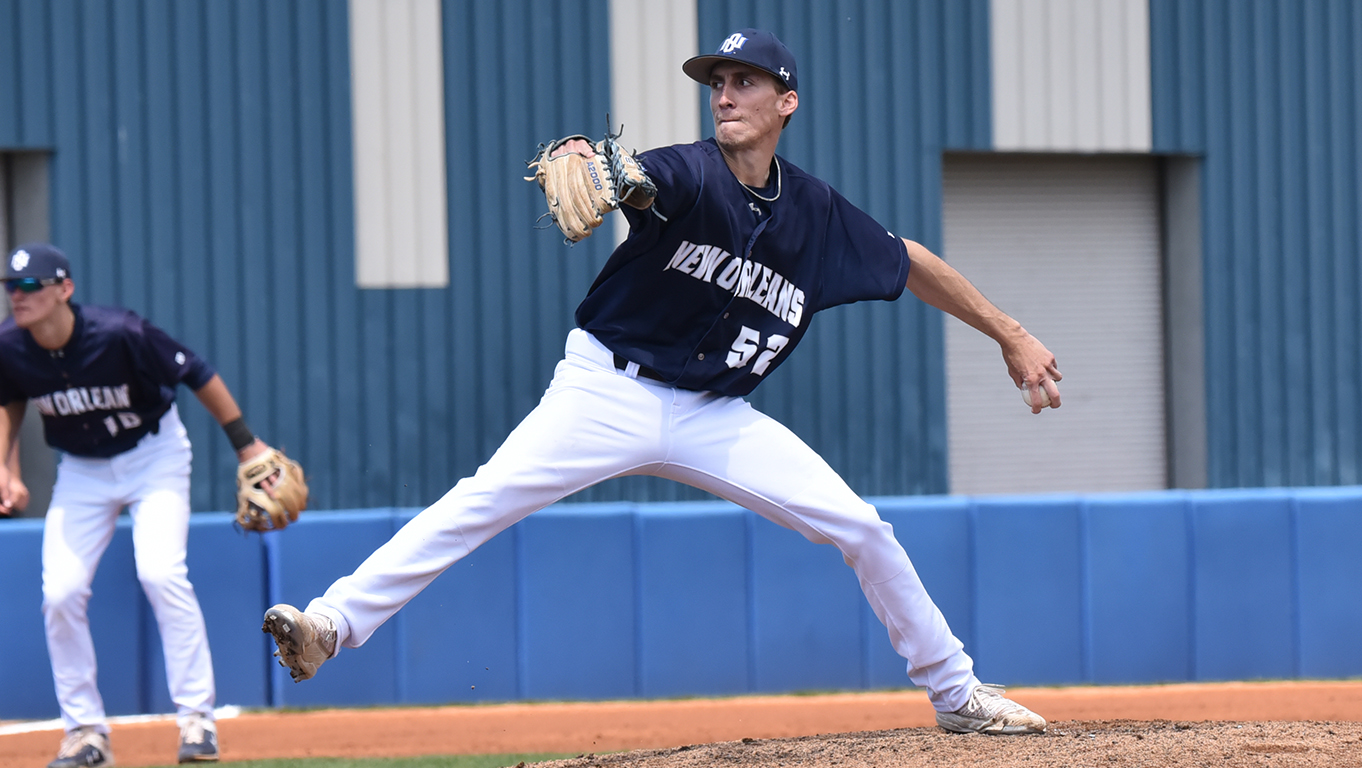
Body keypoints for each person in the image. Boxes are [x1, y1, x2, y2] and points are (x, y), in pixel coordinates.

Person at [262, 28, 1063, 735]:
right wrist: (594, 164)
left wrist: (1012, 334)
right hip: (606, 389)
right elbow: (636, 178)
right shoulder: (692, 173)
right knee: (482, 499)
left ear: (788, 101)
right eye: (716, 82)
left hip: (716, 413)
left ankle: (957, 694)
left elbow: (909, 260)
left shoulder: (817, 214)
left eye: (744, 80)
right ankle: (329, 626)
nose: (724, 94)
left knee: (861, 527)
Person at [0, 243, 288, 766]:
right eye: (9, 287)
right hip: (82, 470)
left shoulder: (120, 332)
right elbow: (8, 399)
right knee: (60, 593)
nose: (15, 297)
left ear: (64, 289)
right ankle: (85, 733)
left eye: (28, 286)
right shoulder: (10, 346)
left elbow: (194, 370)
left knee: (161, 574)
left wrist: (247, 443)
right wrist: (5, 466)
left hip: (153, 455)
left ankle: (198, 721)